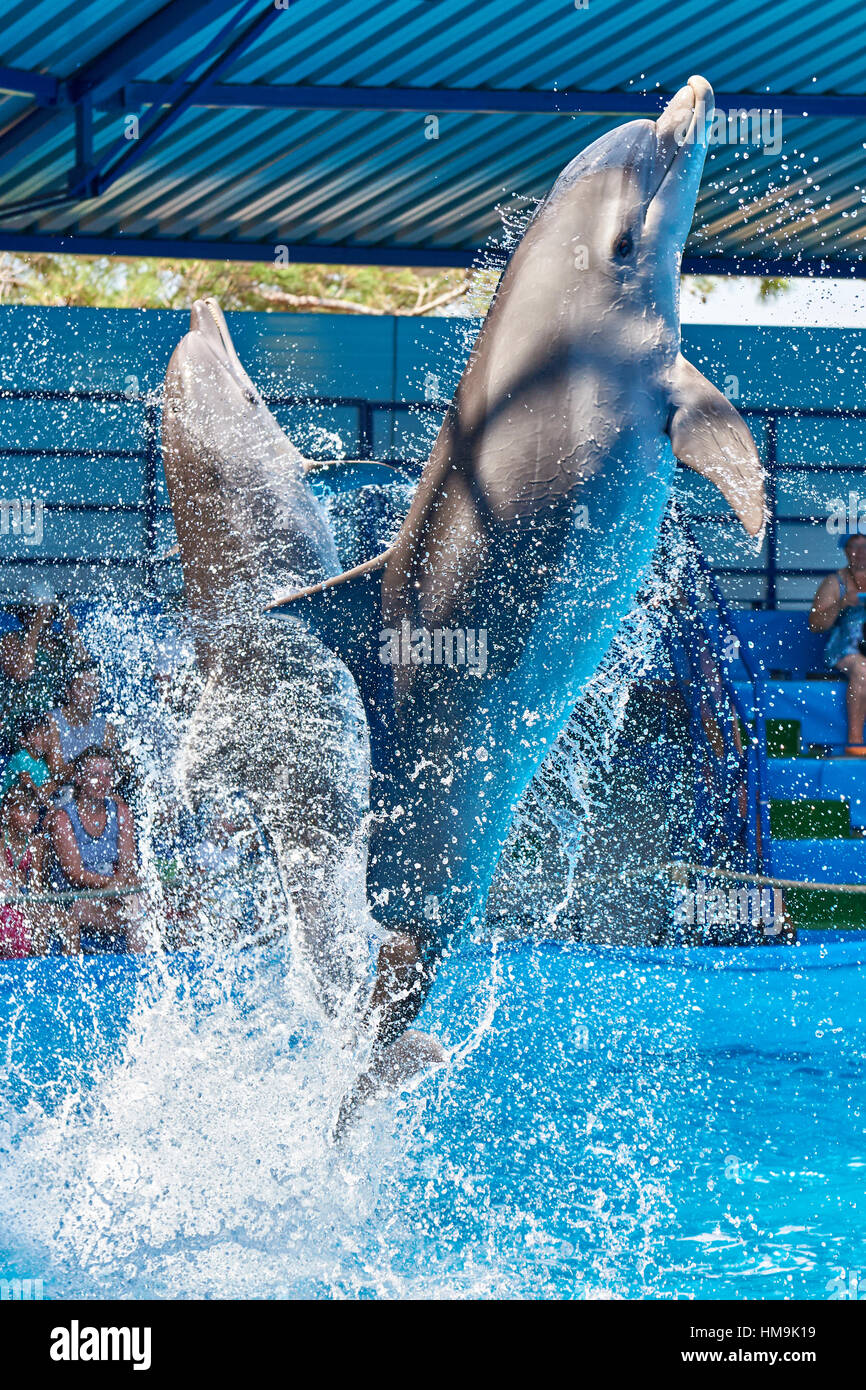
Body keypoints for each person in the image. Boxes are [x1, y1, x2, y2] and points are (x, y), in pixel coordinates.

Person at [48, 746, 144, 954]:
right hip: (76, 898)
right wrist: (112, 885)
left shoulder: (122, 813)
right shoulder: (62, 819)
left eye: (108, 774)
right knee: (132, 917)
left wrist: (120, 888)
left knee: (142, 905)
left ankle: (144, 970)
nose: (103, 781)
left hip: (114, 893)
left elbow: (129, 865)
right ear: (79, 778)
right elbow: (74, 874)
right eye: (95, 775)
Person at [0, 598, 88, 750]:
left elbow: (86, 669)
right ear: (24, 615)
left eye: (49, 612)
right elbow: (22, 674)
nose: (45, 616)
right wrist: (35, 628)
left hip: (53, 722)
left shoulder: (60, 643)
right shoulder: (10, 640)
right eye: (36, 611)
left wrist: (71, 628)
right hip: (20, 723)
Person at [809, 534, 866, 755]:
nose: (861, 552)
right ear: (846, 551)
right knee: (862, 669)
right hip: (847, 648)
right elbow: (816, 624)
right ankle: (855, 740)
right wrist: (841, 604)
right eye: (855, 546)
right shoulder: (835, 582)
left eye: (865, 546)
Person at [44, 666, 117, 784]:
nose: (89, 694)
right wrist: (87, 761)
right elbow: (57, 773)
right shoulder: (52, 721)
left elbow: (109, 774)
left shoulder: (106, 727)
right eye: (83, 688)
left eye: (94, 688)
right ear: (68, 692)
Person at [0, 782, 48, 958]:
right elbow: (5, 879)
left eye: (34, 811)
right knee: (14, 917)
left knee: (49, 920)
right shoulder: (1, 838)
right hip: (5, 897)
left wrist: (37, 905)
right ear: (6, 812)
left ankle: (38, 969)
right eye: (23, 811)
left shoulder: (36, 843)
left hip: (22, 896)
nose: (30, 817)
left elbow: (36, 884)